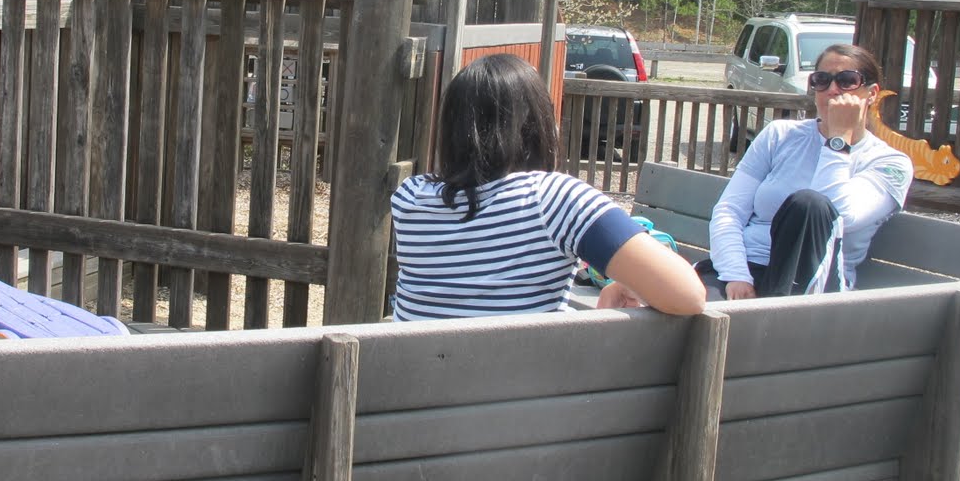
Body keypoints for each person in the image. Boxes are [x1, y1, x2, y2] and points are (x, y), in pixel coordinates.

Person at [390, 54, 705, 321]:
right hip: (521, 390)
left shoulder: (410, 198)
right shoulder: (554, 199)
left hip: (411, 390)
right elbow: (688, 295)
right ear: (537, 125)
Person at [704, 43, 911, 299]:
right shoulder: (779, 135)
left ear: (871, 93)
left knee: (809, 203)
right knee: (686, 307)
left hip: (816, 283)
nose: (833, 90)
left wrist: (838, 140)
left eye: (847, 81)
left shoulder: (890, 163)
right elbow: (729, 210)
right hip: (745, 268)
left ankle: (776, 318)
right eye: (821, 80)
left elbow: (835, 216)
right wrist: (736, 275)